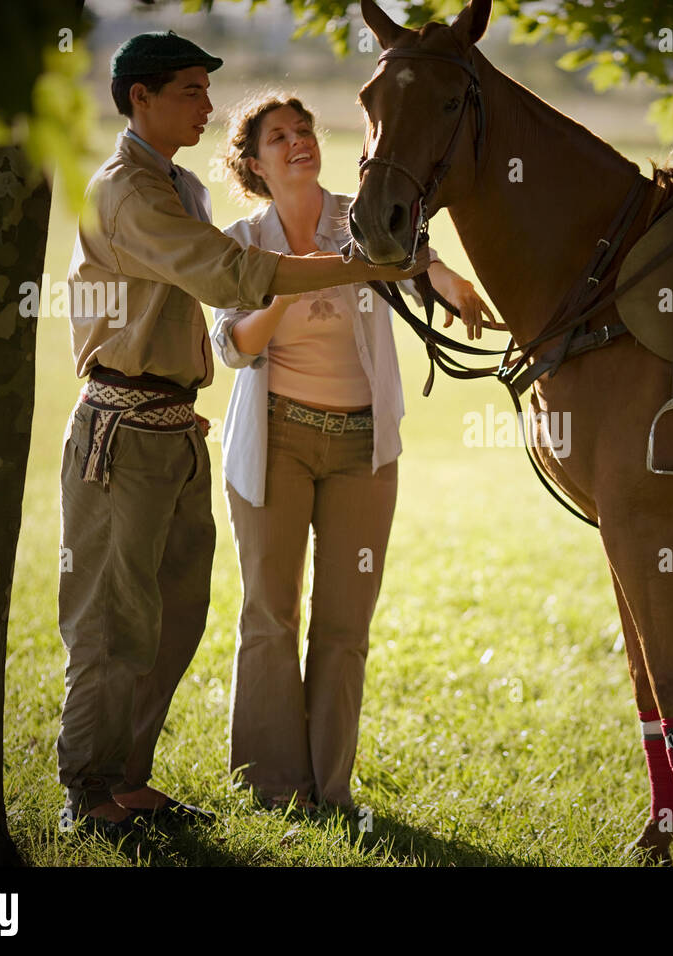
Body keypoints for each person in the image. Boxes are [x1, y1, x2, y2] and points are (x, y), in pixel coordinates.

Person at [57, 34, 426, 839]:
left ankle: (128, 781)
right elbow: (228, 280)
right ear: (140, 98)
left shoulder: (179, 184)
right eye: (190, 90)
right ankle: (88, 795)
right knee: (114, 622)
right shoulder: (128, 190)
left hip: (173, 424)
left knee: (174, 615)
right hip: (123, 426)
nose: (205, 104)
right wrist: (355, 268)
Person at [211, 92, 491, 811]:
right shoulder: (243, 238)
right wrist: (285, 279)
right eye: (280, 136)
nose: (299, 141)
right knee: (270, 617)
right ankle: (275, 788)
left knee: (344, 625)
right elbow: (232, 347)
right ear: (253, 162)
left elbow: (414, 257)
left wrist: (449, 278)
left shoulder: (358, 217)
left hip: (363, 450)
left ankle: (330, 789)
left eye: (304, 130)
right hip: (273, 442)